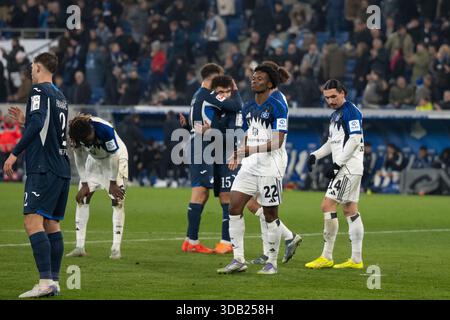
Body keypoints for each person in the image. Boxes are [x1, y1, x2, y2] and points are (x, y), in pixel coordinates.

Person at [3, 52, 70, 298]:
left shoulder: (39, 92)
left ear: (39, 67)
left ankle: (44, 282)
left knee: (32, 220)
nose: (30, 70)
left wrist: (14, 153)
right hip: (61, 168)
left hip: (43, 168)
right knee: (51, 223)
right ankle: (53, 280)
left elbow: (39, 123)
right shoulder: (61, 96)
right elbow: (46, 127)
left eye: (32, 66)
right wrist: (26, 121)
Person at [217, 64, 289, 275]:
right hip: (249, 166)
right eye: (253, 77)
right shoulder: (248, 106)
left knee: (270, 214)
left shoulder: (278, 106)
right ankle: (239, 259)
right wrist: (240, 152)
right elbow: (250, 132)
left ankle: (272, 263)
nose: (254, 80)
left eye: (259, 78)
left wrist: (251, 149)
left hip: (270, 167)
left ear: (269, 83)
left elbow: (278, 141)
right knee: (234, 207)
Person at [181, 63, 242, 254]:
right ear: (212, 79)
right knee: (216, 193)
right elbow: (236, 105)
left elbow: (195, 123)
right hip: (205, 147)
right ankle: (220, 241)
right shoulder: (208, 95)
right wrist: (236, 91)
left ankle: (191, 240)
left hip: (202, 145)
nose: (222, 89)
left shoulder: (198, 96)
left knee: (205, 193)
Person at [305, 79, 365, 270]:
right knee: (350, 210)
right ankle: (356, 260)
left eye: (333, 96)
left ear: (343, 93)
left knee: (327, 205)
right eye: (327, 98)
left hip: (348, 167)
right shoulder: (336, 115)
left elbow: (355, 139)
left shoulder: (351, 111)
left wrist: (337, 164)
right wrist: (316, 155)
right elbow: (333, 143)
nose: (330, 101)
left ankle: (326, 256)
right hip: (349, 168)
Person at [65, 113, 128, 260]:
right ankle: (79, 247)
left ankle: (115, 249)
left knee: (117, 201)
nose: (91, 138)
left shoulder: (105, 130)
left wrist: (112, 183)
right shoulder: (75, 137)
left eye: (91, 135)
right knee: (81, 199)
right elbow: (79, 157)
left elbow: (114, 156)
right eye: (87, 139)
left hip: (116, 159)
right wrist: (85, 183)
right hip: (94, 160)